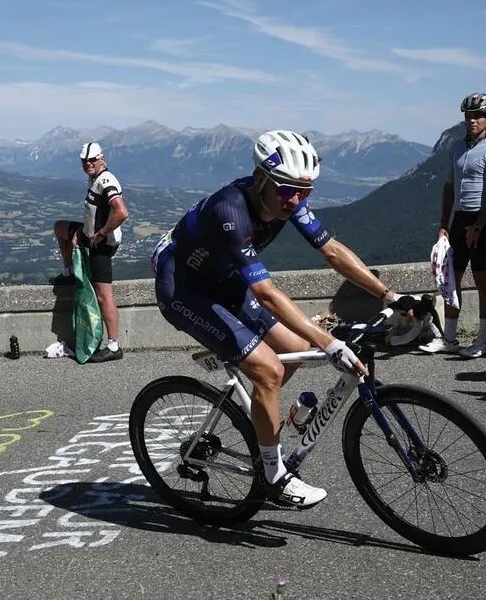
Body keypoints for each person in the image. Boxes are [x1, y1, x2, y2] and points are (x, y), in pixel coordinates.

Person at [152, 130, 404, 508]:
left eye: (306, 191)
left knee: (296, 347)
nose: (297, 200)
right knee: (269, 370)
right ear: (260, 180)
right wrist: (331, 343)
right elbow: (266, 293)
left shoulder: (290, 199)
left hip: (222, 280)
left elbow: (332, 252)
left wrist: (391, 296)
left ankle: (263, 421)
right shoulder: (230, 211)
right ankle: (273, 476)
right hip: (184, 291)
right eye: (288, 190)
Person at [421, 92, 486, 359]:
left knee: (483, 281)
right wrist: (444, 223)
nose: (472, 120)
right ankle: (449, 337)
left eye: (478, 116)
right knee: (451, 278)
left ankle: (482, 340)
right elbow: (449, 186)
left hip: (483, 221)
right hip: (459, 221)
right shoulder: (457, 147)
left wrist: (479, 226)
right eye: (469, 116)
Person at [50, 142, 129, 363]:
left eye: (92, 160)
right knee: (60, 228)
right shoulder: (93, 177)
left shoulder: (106, 180)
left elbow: (122, 212)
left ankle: (114, 346)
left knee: (104, 296)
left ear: (102, 158)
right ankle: (67, 273)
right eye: (84, 161)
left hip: (101, 245)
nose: (88, 164)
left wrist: (103, 232)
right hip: (89, 235)